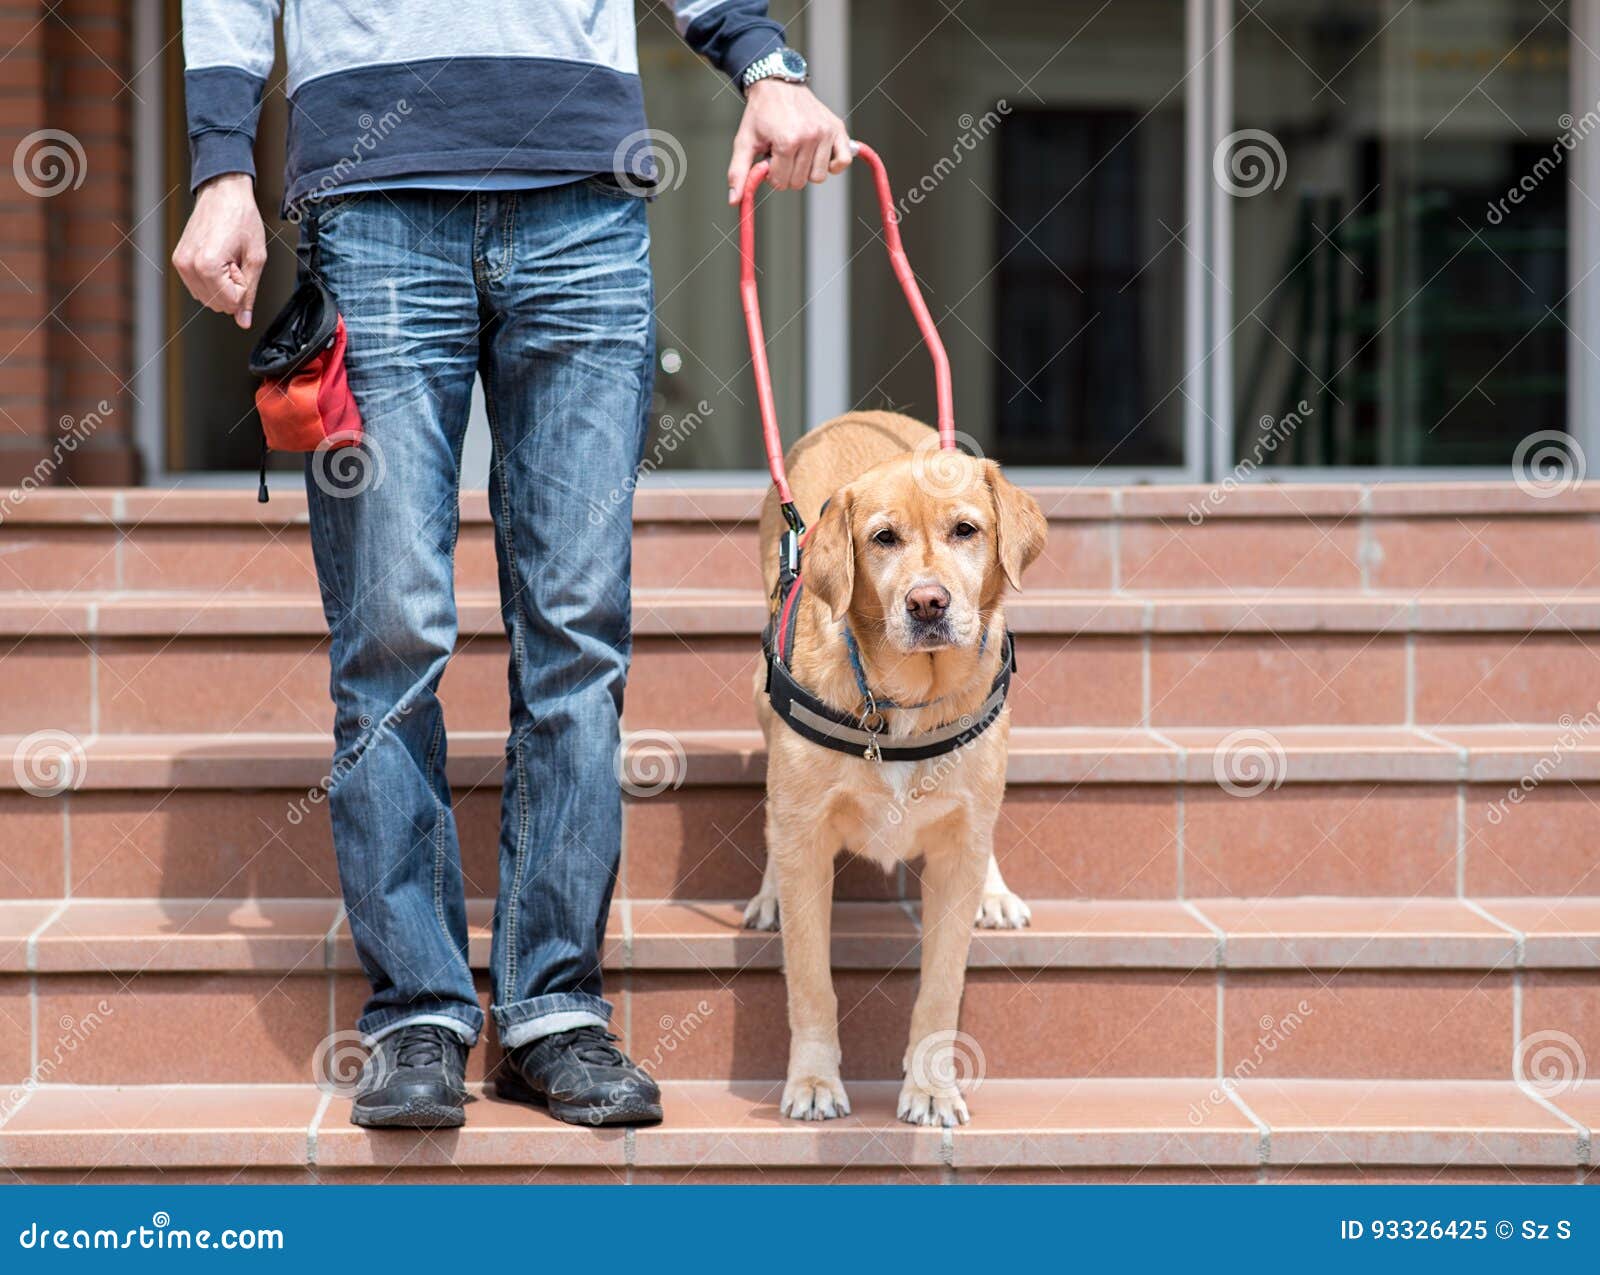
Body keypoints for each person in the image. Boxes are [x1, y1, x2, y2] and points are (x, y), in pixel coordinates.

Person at [172, 1, 850, 1129]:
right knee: (391, 626)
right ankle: (420, 1014)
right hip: (372, 204)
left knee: (576, 628)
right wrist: (220, 164)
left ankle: (552, 1012)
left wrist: (763, 60)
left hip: (582, 202)